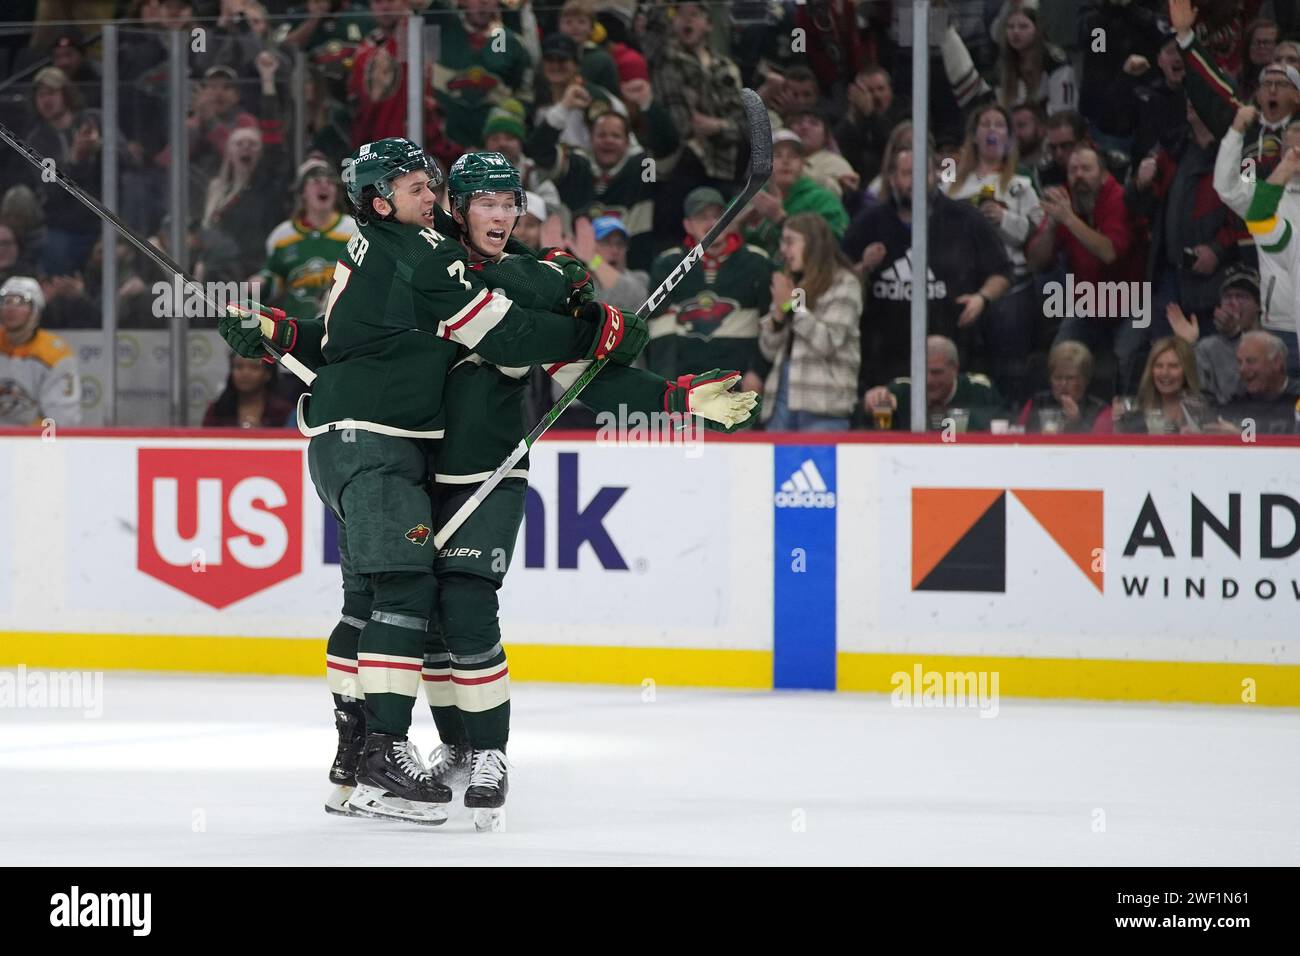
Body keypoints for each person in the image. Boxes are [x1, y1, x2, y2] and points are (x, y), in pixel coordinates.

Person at [219, 139, 642, 825]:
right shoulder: (423, 254)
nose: (433, 195)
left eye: (436, 185)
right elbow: (503, 335)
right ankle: (385, 757)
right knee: (407, 591)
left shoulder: (363, 249)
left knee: (366, 600)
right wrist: (597, 329)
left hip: (341, 440)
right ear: (383, 199)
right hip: (378, 442)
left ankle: (351, 761)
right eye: (419, 186)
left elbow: (328, 342)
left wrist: (271, 327)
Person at [845, 138, 1012, 390]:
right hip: (884, 359)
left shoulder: (964, 218)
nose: (915, 181)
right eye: (906, 174)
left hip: (952, 352)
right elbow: (836, 279)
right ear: (892, 178)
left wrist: (982, 298)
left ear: (935, 175)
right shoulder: (870, 222)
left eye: (922, 173)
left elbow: (1002, 271)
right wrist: (864, 267)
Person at [1027, 144, 1147, 392]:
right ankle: (1061, 417)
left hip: (1132, 301)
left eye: (1086, 169)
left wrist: (1069, 220)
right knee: (1061, 356)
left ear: (1103, 175)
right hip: (1088, 302)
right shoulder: (1065, 202)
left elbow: (1109, 252)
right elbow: (1036, 262)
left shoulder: (1118, 198)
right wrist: (1051, 227)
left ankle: (1121, 419)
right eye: (1073, 170)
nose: (1078, 175)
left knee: (1124, 361)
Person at [945, 103, 1044, 404]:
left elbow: (1038, 235)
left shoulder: (1021, 182)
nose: (991, 130)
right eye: (985, 124)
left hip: (1012, 285)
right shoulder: (952, 183)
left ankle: (1009, 417)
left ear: (1009, 137)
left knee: (1009, 366)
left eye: (999, 125)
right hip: (962, 283)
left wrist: (1005, 219)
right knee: (966, 361)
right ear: (974, 135)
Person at [647, 187, 772, 380]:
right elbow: (660, 333)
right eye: (702, 217)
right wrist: (665, 384)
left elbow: (770, 325)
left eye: (718, 215)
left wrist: (758, 372)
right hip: (686, 384)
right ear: (688, 225)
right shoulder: (668, 266)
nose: (712, 223)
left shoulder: (757, 262)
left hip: (739, 382)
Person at [757, 212, 860, 431]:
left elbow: (828, 342)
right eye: (782, 242)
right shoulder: (793, 285)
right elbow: (768, 350)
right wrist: (777, 319)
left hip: (823, 403)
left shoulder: (845, 284)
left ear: (812, 243)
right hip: (781, 399)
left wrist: (791, 307)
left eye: (790, 241)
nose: (783, 250)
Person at [257, 158, 358, 319]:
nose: (324, 185)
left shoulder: (354, 230)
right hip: (298, 331)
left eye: (330, 182)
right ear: (302, 191)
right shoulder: (282, 236)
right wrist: (257, 284)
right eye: (316, 181)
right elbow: (272, 283)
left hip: (343, 328)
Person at [862, 335, 1003, 432]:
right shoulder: (900, 392)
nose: (928, 380)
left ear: (955, 369)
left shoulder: (980, 391)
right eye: (922, 372)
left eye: (936, 372)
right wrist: (873, 400)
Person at [1167, 265, 1263, 406]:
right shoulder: (1208, 347)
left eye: (1242, 297)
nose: (1234, 303)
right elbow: (1198, 396)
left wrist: (1236, 336)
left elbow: (1254, 392)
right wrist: (1189, 346)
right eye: (1228, 297)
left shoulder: (1273, 343)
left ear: (1258, 305)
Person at [741, 130, 848, 256]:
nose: (786, 161)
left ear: (803, 164)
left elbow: (833, 244)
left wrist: (780, 218)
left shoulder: (823, 200)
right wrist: (738, 225)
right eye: (777, 155)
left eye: (793, 156)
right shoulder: (749, 198)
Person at [0, 276, 81, 428]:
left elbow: (63, 419)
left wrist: (27, 442)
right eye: (6, 301)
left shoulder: (55, 354)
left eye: (20, 302)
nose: (10, 308)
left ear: (35, 311)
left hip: (35, 444)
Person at [1214, 330, 1300, 434]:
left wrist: (1242, 438)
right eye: (1239, 362)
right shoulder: (1237, 399)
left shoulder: (1296, 397)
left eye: (1250, 361)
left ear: (1277, 362)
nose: (1242, 369)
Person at [1017, 341, 1112, 434]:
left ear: (1085, 380)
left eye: (1070, 378)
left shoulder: (1100, 411)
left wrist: (1077, 424)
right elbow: (1018, 436)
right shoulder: (1036, 403)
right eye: (1058, 378)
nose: (1063, 383)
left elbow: (1097, 447)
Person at [1118, 336, 1207, 434]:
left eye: (1173, 366)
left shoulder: (1203, 411)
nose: (1164, 373)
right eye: (1159, 366)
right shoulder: (1134, 416)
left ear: (1186, 371)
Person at [201, 354, 295, 427]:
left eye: (254, 367)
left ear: (268, 374)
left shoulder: (284, 412)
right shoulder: (216, 411)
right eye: (238, 367)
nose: (245, 373)